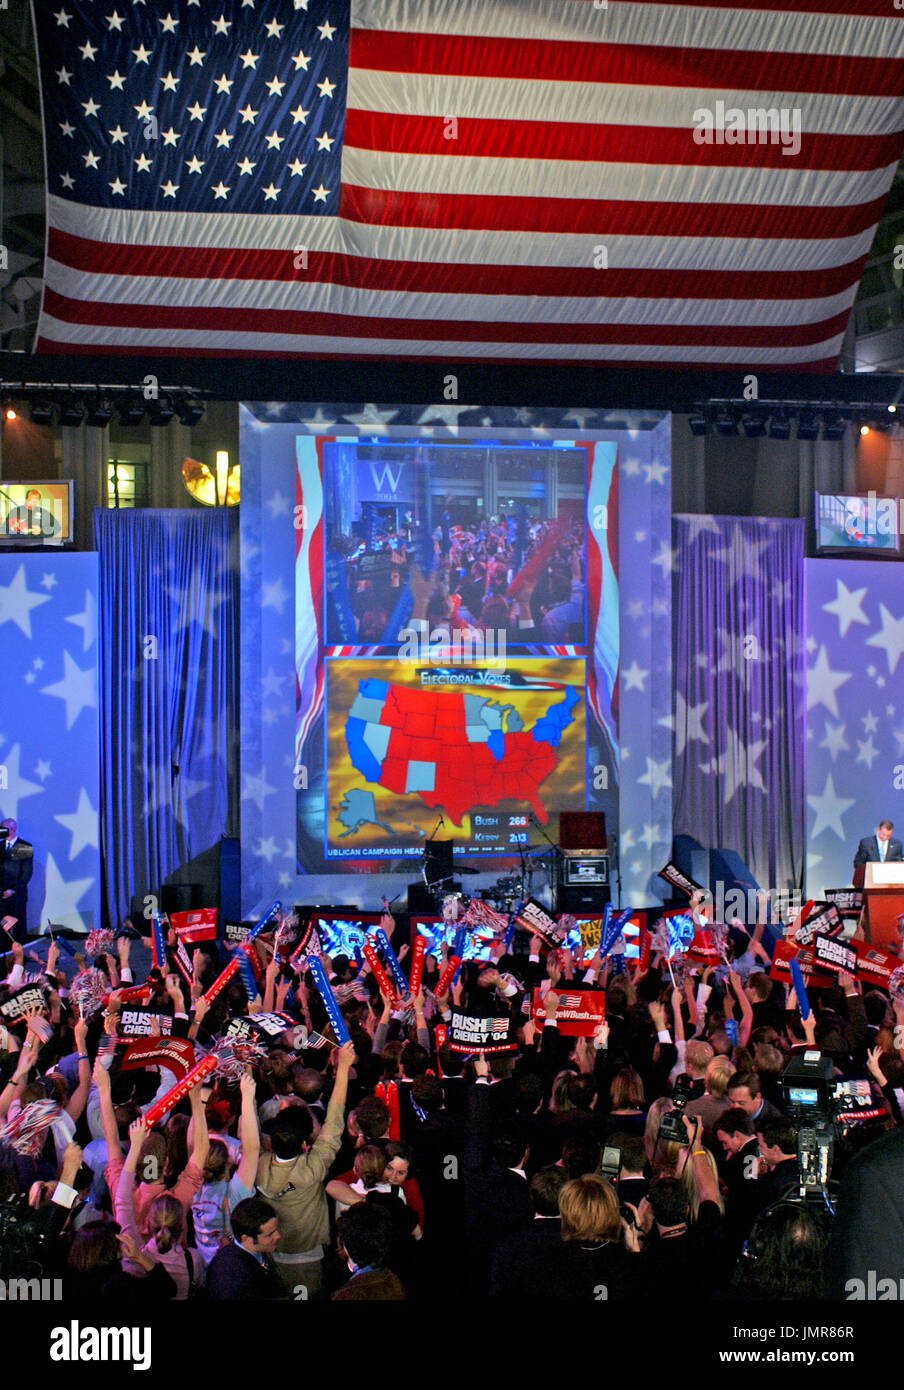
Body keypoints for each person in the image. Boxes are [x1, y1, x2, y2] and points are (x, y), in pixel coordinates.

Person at [255, 1039, 356, 1299]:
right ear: (304, 1143)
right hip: (308, 1259)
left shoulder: (257, 1164)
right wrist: (342, 1069)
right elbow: (334, 1121)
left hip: (271, 1254)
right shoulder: (312, 1169)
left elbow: (249, 1134)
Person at [206, 1197, 283, 1300]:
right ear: (246, 1239)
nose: (278, 1236)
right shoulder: (235, 1281)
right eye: (270, 1235)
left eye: (276, 1230)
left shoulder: (255, 1250)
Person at [0, 819, 34, 943]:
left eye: (3, 828)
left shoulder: (24, 847)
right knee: (3, 927)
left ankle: (21, 957)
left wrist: (12, 890)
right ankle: (4, 957)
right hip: (1, 897)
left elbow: (26, 873)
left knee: (19, 928)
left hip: (17, 896)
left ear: (12, 829)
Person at [853, 819, 903, 885]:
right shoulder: (866, 843)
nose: (885, 838)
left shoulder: (897, 844)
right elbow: (858, 862)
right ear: (878, 829)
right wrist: (867, 873)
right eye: (883, 834)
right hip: (870, 881)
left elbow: (899, 863)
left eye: (888, 836)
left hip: (890, 884)